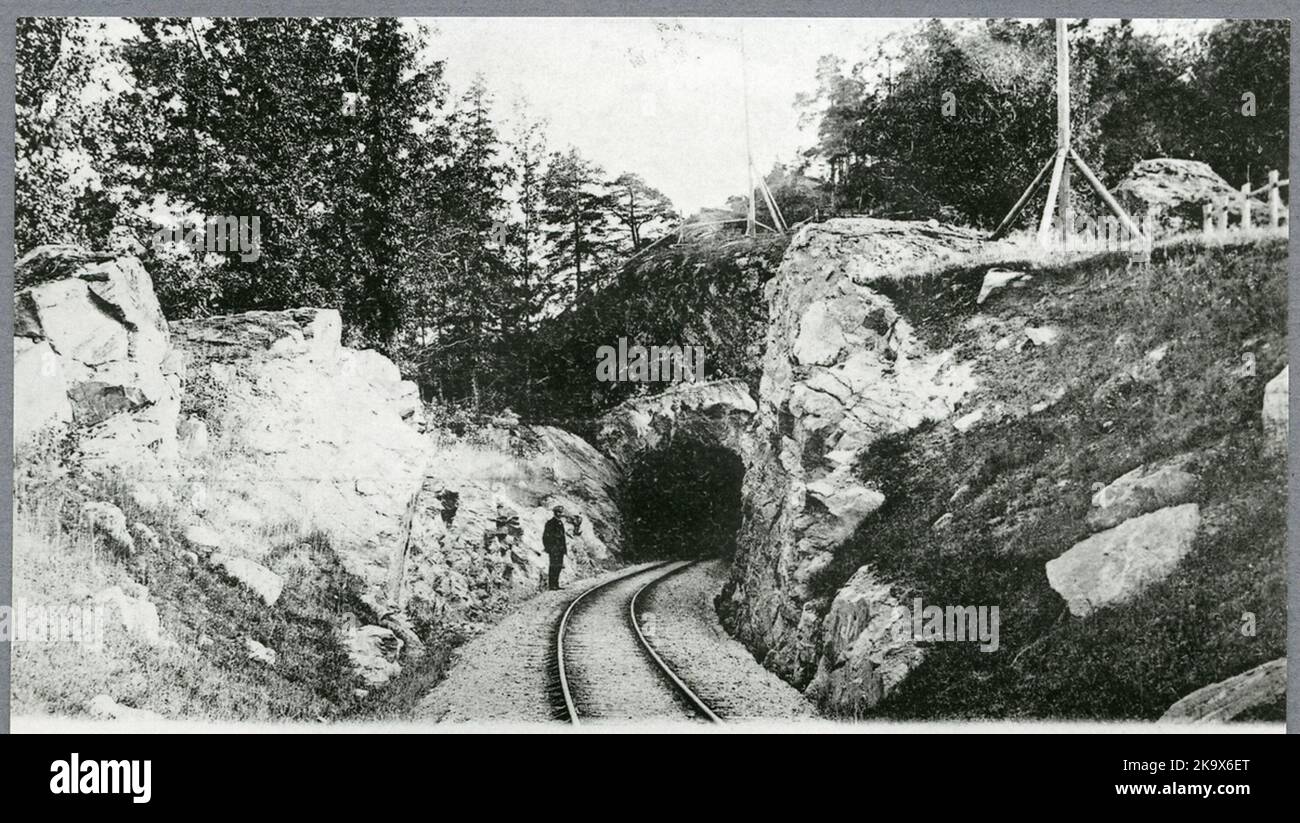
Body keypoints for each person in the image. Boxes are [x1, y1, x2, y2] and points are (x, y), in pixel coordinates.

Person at [542, 505, 568, 590]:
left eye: (561, 512)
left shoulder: (560, 523)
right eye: (558, 512)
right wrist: (548, 548)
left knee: (559, 566)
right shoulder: (550, 523)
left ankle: (556, 584)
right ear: (555, 512)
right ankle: (551, 585)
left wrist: (564, 550)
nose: (560, 514)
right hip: (554, 549)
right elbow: (545, 536)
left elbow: (563, 538)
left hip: (560, 549)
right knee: (553, 566)